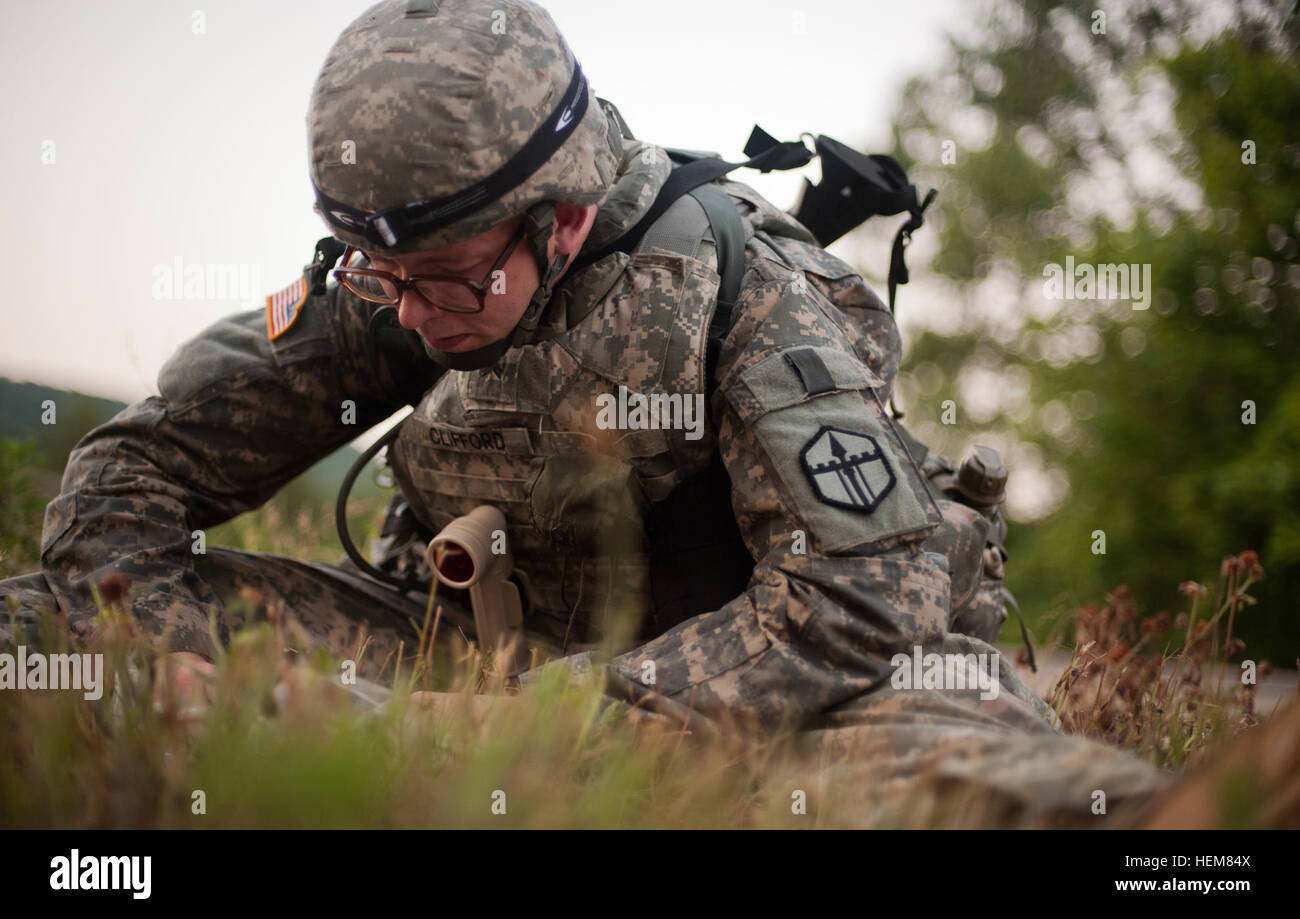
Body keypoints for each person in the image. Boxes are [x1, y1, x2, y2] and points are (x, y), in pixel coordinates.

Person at [0, 0, 1172, 825]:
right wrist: (152, 646)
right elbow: (139, 476)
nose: (410, 317)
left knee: (984, 780)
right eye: (380, 276)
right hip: (468, 667)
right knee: (36, 635)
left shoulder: (746, 285)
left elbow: (862, 593)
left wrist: (553, 727)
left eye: (451, 282)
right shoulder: (407, 270)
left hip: (740, 695)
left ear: (557, 220)